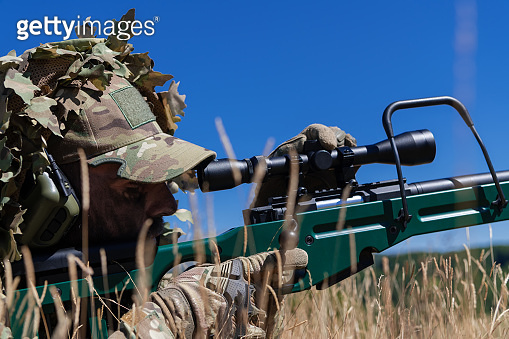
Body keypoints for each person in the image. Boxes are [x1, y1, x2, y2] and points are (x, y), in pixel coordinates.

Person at [0, 34, 355, 338]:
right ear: (48, 201)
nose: (168, 205)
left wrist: (268, 219)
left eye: (161, 180)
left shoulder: (119, 280)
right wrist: (175, 318)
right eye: (133, 188)